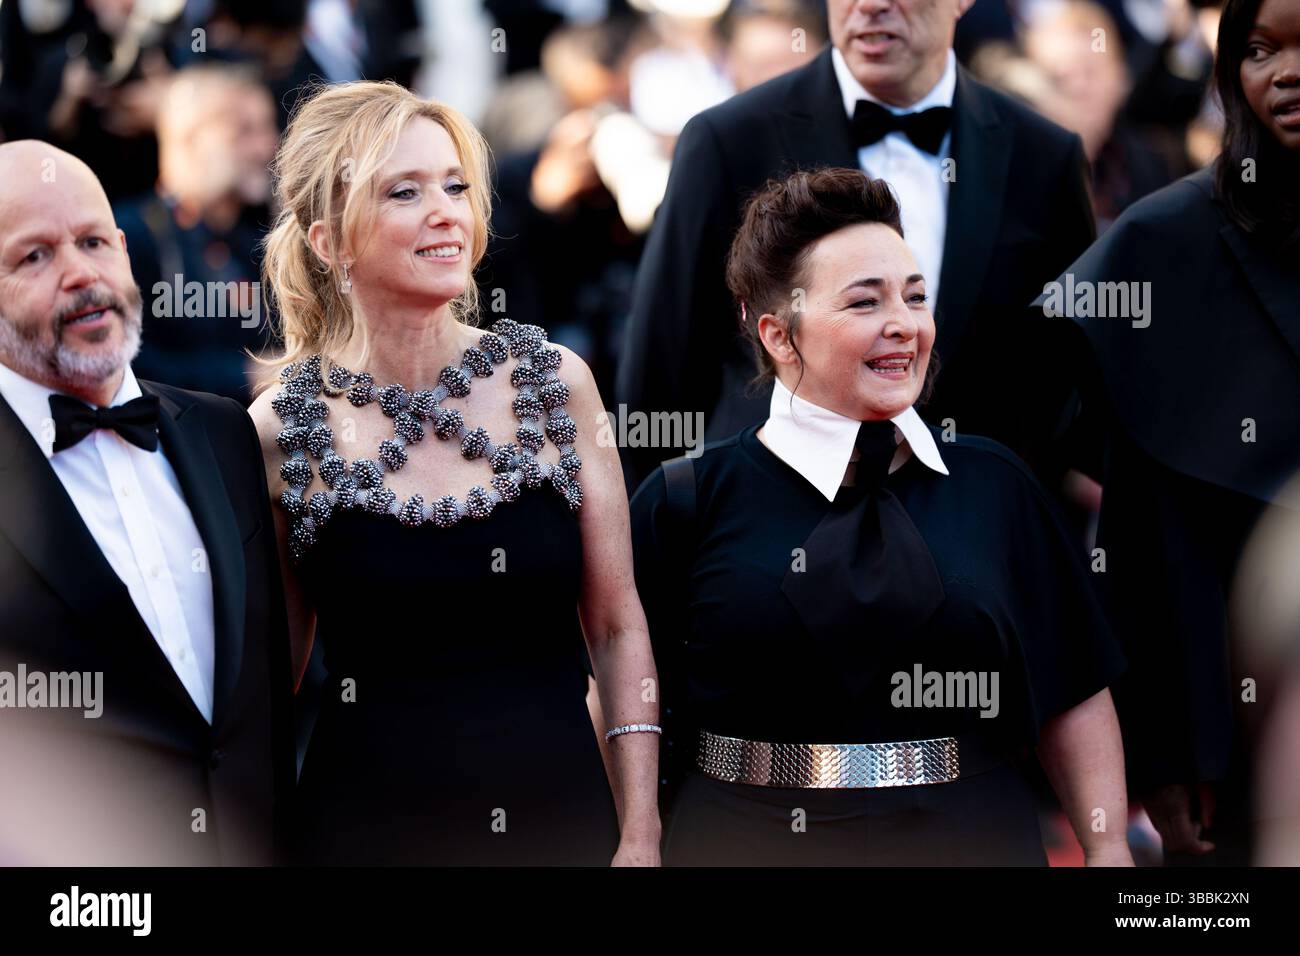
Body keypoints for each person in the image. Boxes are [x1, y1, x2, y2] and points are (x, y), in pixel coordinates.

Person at [629, 168, 1132, 866]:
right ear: (779, 334)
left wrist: (1107, 848)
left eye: (916, 298)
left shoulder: (996, 485)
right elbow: (626, 696)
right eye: (865, 303)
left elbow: (1073, 689)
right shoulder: (683, 498)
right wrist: (635, 839)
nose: (905, 324)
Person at [247, 80, 661, 866]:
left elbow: (615, 627)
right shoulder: (280, 430)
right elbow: (273, 683)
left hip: (560, 824)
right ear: (328, 241)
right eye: (404, 191)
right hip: (362, 832)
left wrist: (640, 832)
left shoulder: (555, 382)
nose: (446, 210)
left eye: (456, 186)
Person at [616, 0, 1096, 490]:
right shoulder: (728, 140)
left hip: (976, 525)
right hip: (773, 515)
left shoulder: (1045, 156)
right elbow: (663, 365)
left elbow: (1071, 373)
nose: (869, 5)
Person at [1043, 0, 1300, 866]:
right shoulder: (1163, 245)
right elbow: (1141, 534)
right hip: (1232, 752)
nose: (1285, 72)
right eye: (1260, 50)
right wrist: (1163, 757)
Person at [0, 141, 293, 865]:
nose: (80, 274)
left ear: (126, 251)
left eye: (94, 241)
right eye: (33, 257)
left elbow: (267, 697)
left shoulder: (225, 434)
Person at [115, 64, 280, 404]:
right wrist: (242, 375)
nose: (266, 147)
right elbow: (126, 365)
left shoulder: (253, 241)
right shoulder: (131, 237)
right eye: (243, 131)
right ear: (191, 139)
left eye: (267, 128)